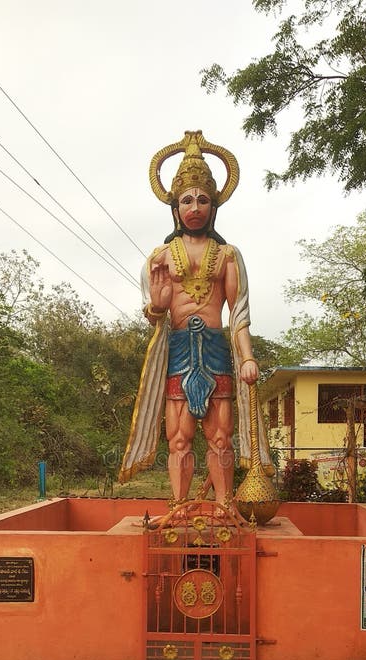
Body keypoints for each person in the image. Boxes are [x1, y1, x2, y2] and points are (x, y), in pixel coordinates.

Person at [119, 130, 274, 507]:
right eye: (186, 199)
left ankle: (223, 506)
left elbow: (238, 312)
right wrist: (156, 307)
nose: (195, 206)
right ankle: (179, 506)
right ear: (174, 208)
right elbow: (151, 310)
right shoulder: (159, 257)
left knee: (221, 436)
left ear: (214, 207)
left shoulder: (228, 255)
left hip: (217, 349)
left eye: (203, 199)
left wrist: (248, 356)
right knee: (178, 436)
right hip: (177, 351)